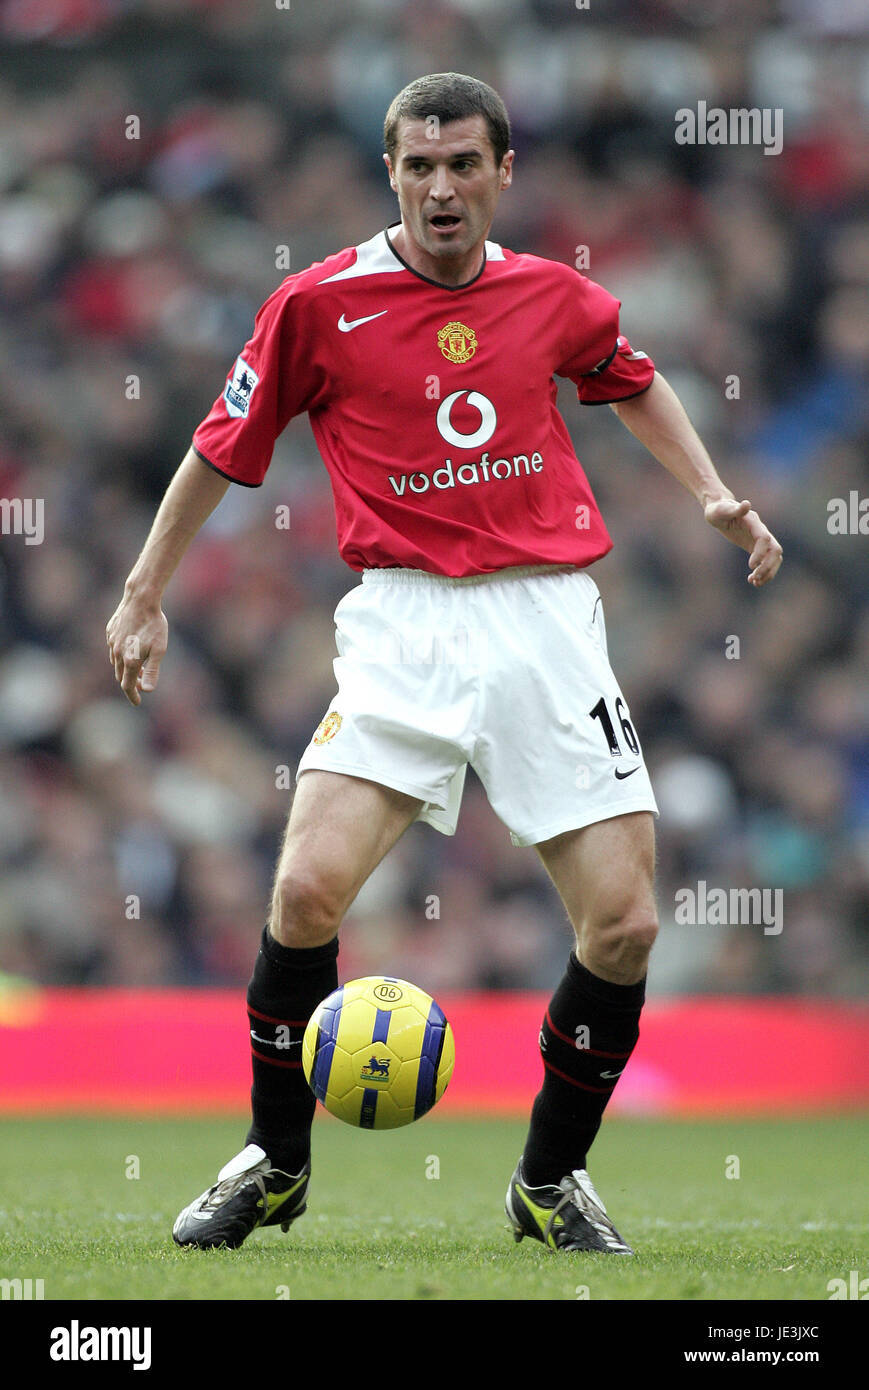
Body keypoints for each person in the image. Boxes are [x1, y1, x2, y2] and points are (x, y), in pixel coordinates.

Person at [106, 73, 782, 1255]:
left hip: (542, 621)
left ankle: (547, 1180)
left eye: (462, 164)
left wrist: (713, 491)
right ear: (390, 174)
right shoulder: (318, 305)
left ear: (500, 172)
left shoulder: (553, 294)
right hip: (402, 624)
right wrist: (143, 589)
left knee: (621, 925)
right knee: (305, 891)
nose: (439, 188)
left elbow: (631, 379)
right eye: (417, 166)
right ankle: (273, 1159)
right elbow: (219, 447)